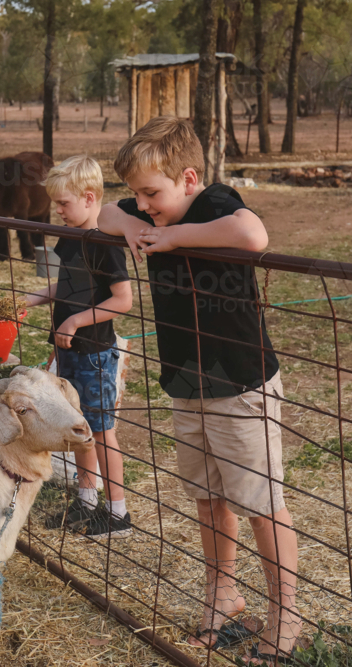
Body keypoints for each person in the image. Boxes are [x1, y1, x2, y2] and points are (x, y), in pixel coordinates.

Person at [96, 116, 300, 662]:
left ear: (188, 179)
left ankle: (286, 618)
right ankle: (223, 596)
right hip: (186, 382)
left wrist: (171, 236)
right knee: (208, 499)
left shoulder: (212, 203)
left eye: (152, 194)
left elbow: (253, 235)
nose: (144, 204)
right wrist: (133, 224)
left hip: (239, 383)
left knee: (260, 502)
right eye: (139, 194)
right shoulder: (147, 209)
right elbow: (104, 211)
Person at [24, 155, 135, 538]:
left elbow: (123, 300)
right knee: (80, 427)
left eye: (63, 203)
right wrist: (32, 298)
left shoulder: (106, 244)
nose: (58, 210)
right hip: (70, 353)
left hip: (95, 355)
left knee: (102, 432)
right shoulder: (70, 239)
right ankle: (88, 504)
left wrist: (75, 320)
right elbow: (67, 286)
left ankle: (117, 512)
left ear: (89, 199)